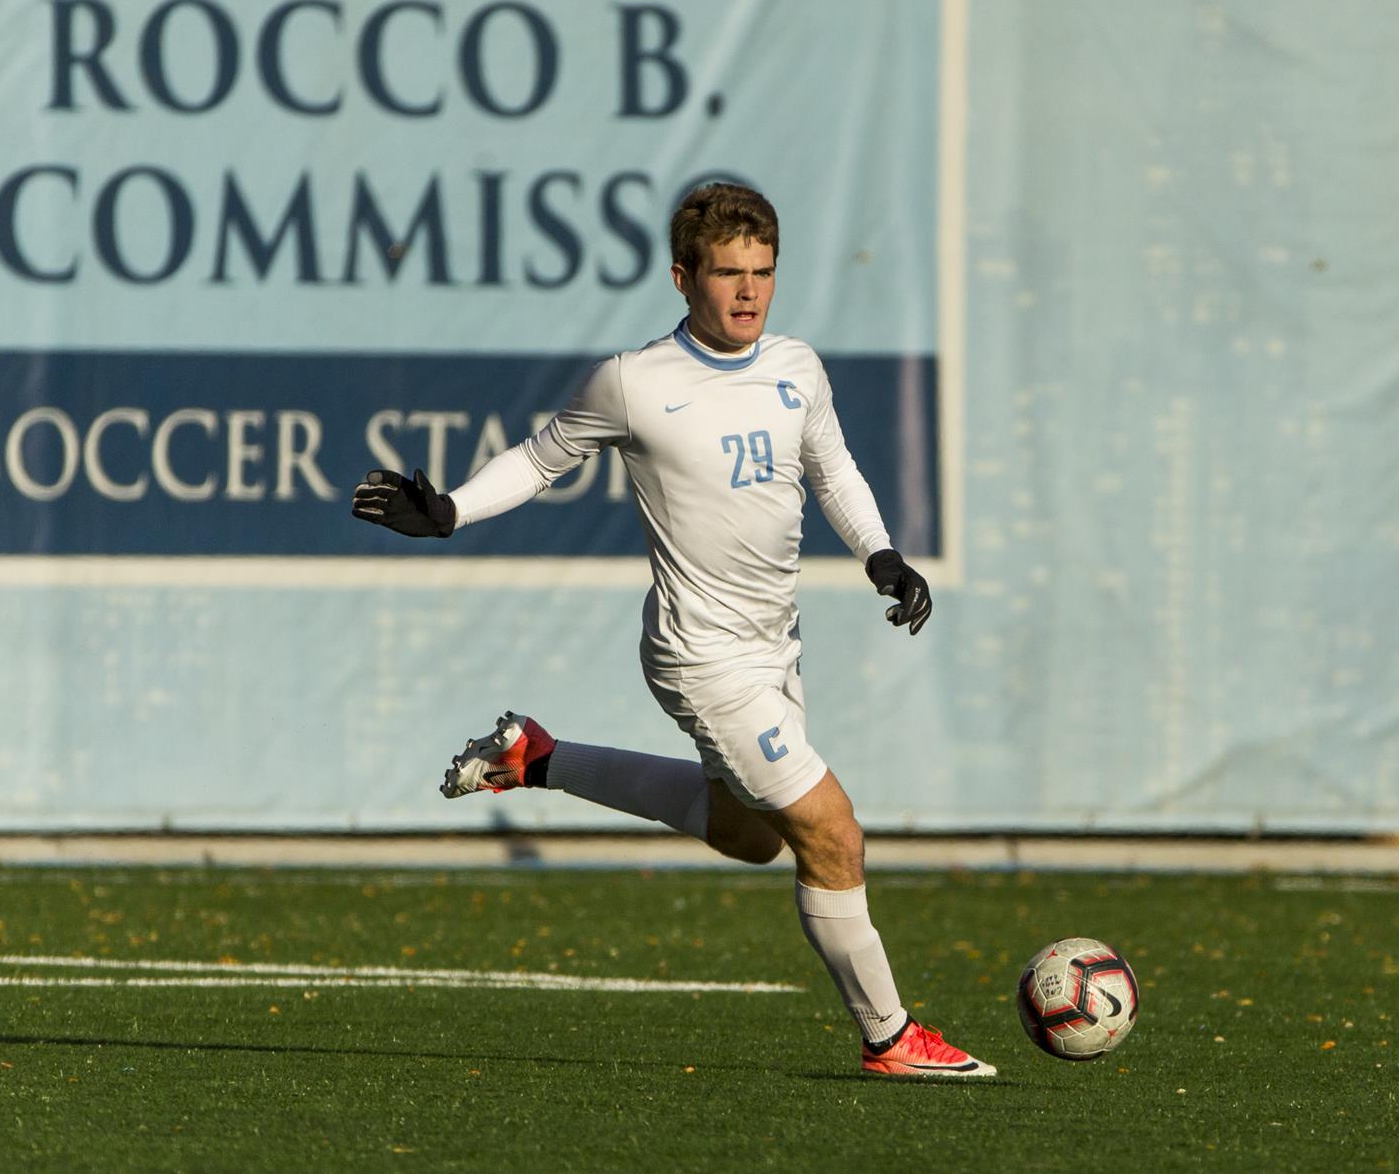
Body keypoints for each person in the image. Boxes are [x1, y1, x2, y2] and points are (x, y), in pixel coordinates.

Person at [352, 182, 993, 1079]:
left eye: (763, 272)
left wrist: (881, 553)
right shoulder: (634, 382)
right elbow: (540, 460)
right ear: (682, 276)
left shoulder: (797, 367)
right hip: (700, 655)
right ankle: (890, 1035)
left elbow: (832, 466)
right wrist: (453, 509)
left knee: (751, 836)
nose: (748, 292)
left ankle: (537, 757)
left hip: (775, 648)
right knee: (831, 834)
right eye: (728, 272)